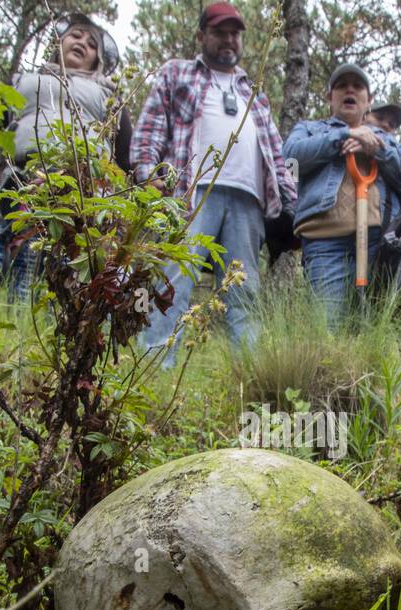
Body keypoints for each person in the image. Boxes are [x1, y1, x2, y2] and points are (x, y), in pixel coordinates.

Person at [131, 2, 297, 362]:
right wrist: (147, 174)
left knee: (244, 290)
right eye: (220, 32)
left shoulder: (255, 91)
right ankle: (154, 366)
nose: (229, 40)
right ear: (201, 36)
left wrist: (289, 200)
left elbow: (274, 151)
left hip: (248, 200)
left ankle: (249, 374)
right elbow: (150, 127)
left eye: (235, 33)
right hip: (192, 192)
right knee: (174, 280)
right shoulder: (177, 73)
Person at [283, 64, 401, 324]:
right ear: (329, 97)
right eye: (341, 85)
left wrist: (379, 151)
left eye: (357, 86)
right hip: (324, 243)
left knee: (379, 330)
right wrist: (342, 137)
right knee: (328, 330)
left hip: (381, 246)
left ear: (368, 101)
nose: (349, 89)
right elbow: (290, 160)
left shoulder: (386, 140)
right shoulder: (309, 130)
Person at [3, 14, 129, 301]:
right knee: (24, 254)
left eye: (91, 43)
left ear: (98, 58)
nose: (82, 43)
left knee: (73, 262)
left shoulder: (110, 97)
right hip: (23, 178)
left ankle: (64, 328)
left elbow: (124, 156)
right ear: (59, 43)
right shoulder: (23, 81)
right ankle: (17, 318)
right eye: (75, 36)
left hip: (86, 189)